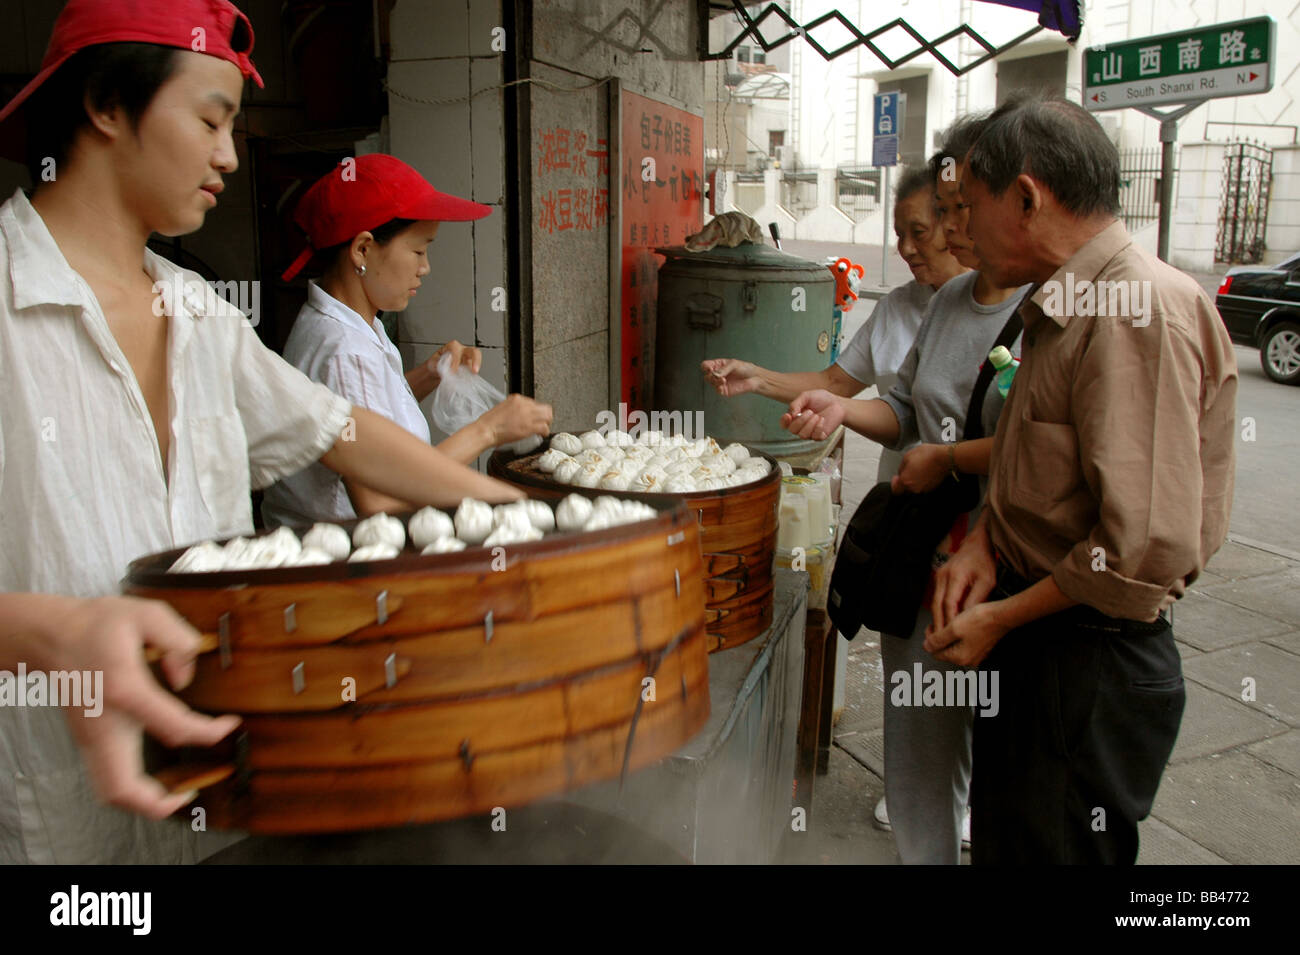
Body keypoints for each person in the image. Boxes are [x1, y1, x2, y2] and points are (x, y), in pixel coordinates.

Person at [0, 0, 524, 864]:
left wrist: (516, 513)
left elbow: (339, 430)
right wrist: (50, 633)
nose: (229, 156)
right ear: (104, 104)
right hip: (59, 826)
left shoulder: (200, 313)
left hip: (217, 800)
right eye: (211, 119)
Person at [925, 94, 1237, 864]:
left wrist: (1001, 618)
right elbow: (1035, 461)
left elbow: (1141, 548)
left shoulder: (1138, 311)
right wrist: (986, 546)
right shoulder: (1063, 303)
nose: (959, 230)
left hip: (1088, 661)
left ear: (1026, 198)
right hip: (1042, 638)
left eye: (971, 206)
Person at [782, 115, 1032, 864]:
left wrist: (951, 460)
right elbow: (902, 410)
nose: (951, 229)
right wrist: (840, 409)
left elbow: (1053, 446)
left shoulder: (1050, 308)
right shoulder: (949, 302)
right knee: (920, 756)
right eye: (946, 209)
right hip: (921, 561)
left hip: (1008, 573)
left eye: (962, 208)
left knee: (1008, 777)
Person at [263, 155, 552, 526]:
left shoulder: (349, 321)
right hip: (343, 559)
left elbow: (368, 409)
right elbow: (383, 500)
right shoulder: (343, 350)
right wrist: (488, 431)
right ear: (362, 249)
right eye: (418, 250)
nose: (425, 267)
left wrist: (431, 374)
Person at [700, 164, 967, 483]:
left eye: (919, 233)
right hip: (901, 501)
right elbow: (839, 386)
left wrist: (948, 458)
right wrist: (757, 378)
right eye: (899, 235)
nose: (906, 249)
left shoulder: (1005, 307)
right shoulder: (896, 308)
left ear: (956, 223)